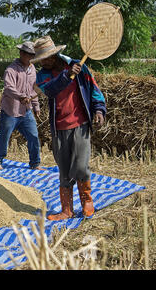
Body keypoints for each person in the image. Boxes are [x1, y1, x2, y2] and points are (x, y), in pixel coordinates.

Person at [31, 35, 106, 220]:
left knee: (80, 166)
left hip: (79, 124)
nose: (43, 63)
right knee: (64, 170)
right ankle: (67, 210)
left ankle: (87, 201)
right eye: (40, 60)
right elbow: (49, 90)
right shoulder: (42, 75)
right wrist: (66, 75)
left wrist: (99, 109)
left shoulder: (78, 66)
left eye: (44, 59)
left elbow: (93, 88)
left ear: (54, 56)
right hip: (59, 127)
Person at [0, 41, 43, 171]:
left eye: (32, 55)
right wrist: (20, 96)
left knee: (33, 136)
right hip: (11, 111)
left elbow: (34, 89)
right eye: (28, 54)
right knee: (4, 136)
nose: (30, 57)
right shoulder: (11, 69)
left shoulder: (32, 70)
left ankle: (35, 163)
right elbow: (9, 88)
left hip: (26, 111)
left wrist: (36, 106)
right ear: (21, 53)